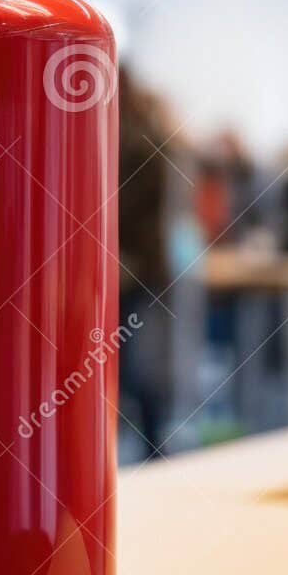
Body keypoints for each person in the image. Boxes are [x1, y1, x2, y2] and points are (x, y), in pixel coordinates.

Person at [117, 67, 170, 460]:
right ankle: (152, 448)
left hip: (135, 270)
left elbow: (120, 212)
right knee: (135, 366)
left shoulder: (136, 143)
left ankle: (154, 449)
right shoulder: (140, 138)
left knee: (138, 368)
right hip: (136, 269)